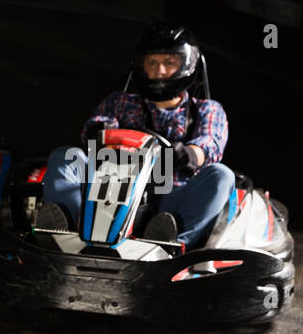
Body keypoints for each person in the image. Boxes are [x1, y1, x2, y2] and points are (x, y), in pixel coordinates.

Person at [38, 23, 232, 249]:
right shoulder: (119, 102)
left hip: (167, 199)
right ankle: (64, 229)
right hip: (110, 189)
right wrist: (106, 134)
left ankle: (171, 244)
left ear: (186, 65)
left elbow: (208, 147)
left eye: (169, 63)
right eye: (152, 63)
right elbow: (93, 131)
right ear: (141, 65)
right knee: (66, 156)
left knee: (221, 175)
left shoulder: (207, 110)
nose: (159, 71)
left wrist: (181, 154)